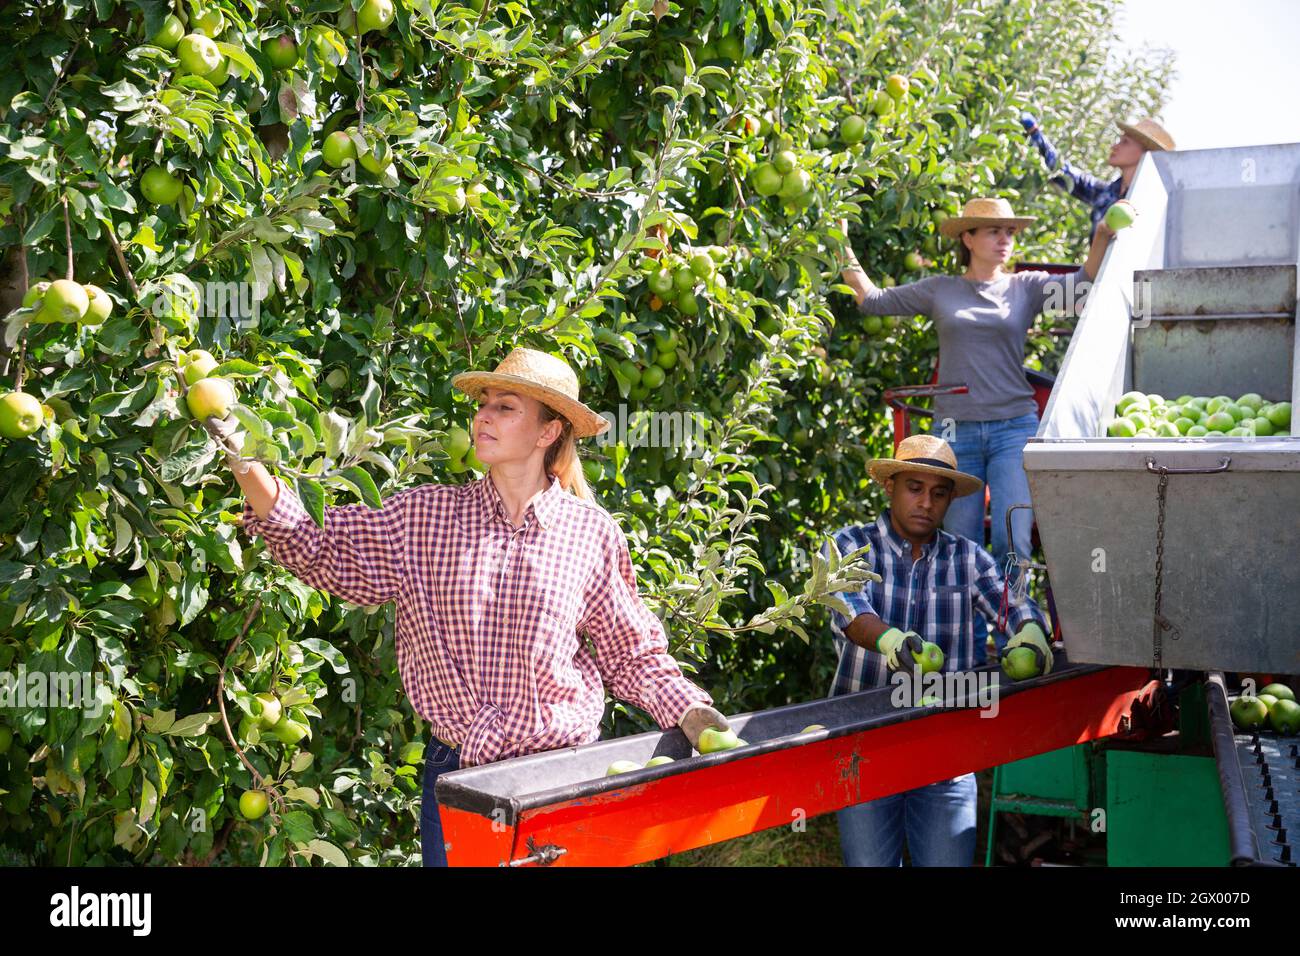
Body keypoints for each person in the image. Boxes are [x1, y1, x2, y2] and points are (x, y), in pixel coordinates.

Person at [205, 347, 733, 866]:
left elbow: (631, 653)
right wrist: (242, 457)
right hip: (459, 773)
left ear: (549, 431)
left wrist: (691, 712)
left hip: (563, 772)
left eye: (506, 407)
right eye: (483, 403)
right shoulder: (424, 518)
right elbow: (318, 545)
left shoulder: (589, 534)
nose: (483, 416)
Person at [839, 198, 1110, 656]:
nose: (1005, 240)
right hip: (955, 433)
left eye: (1009, 231)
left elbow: (1084, 285)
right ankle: (966, 644)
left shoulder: (1026, 286)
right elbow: (871, 301)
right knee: (958, 545)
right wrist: (840, 241)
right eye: (992, 231)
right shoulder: (942, 289)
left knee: (1012, 537)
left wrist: (1102, 234)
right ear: (967, 238)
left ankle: (1017, 639)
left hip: (1013, 426)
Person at [826, 435, 1051, 867]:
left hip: (945, 752)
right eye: (915, 488)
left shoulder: (967, 558)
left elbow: (1017, 606)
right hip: (865, 748)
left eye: (939, 493)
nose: (926, 503)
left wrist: (1031, 635)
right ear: (890, 485)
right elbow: (849, 610)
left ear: (950, 500)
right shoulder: (850, 548)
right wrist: (892, 641)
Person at [1019, 115, 1175, 240]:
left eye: (1125, 142)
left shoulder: (1153, 203)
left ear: (1145, 154)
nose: (1114, 146)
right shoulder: (1106, 194)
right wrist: (1035, 133)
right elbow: (1063, 172)